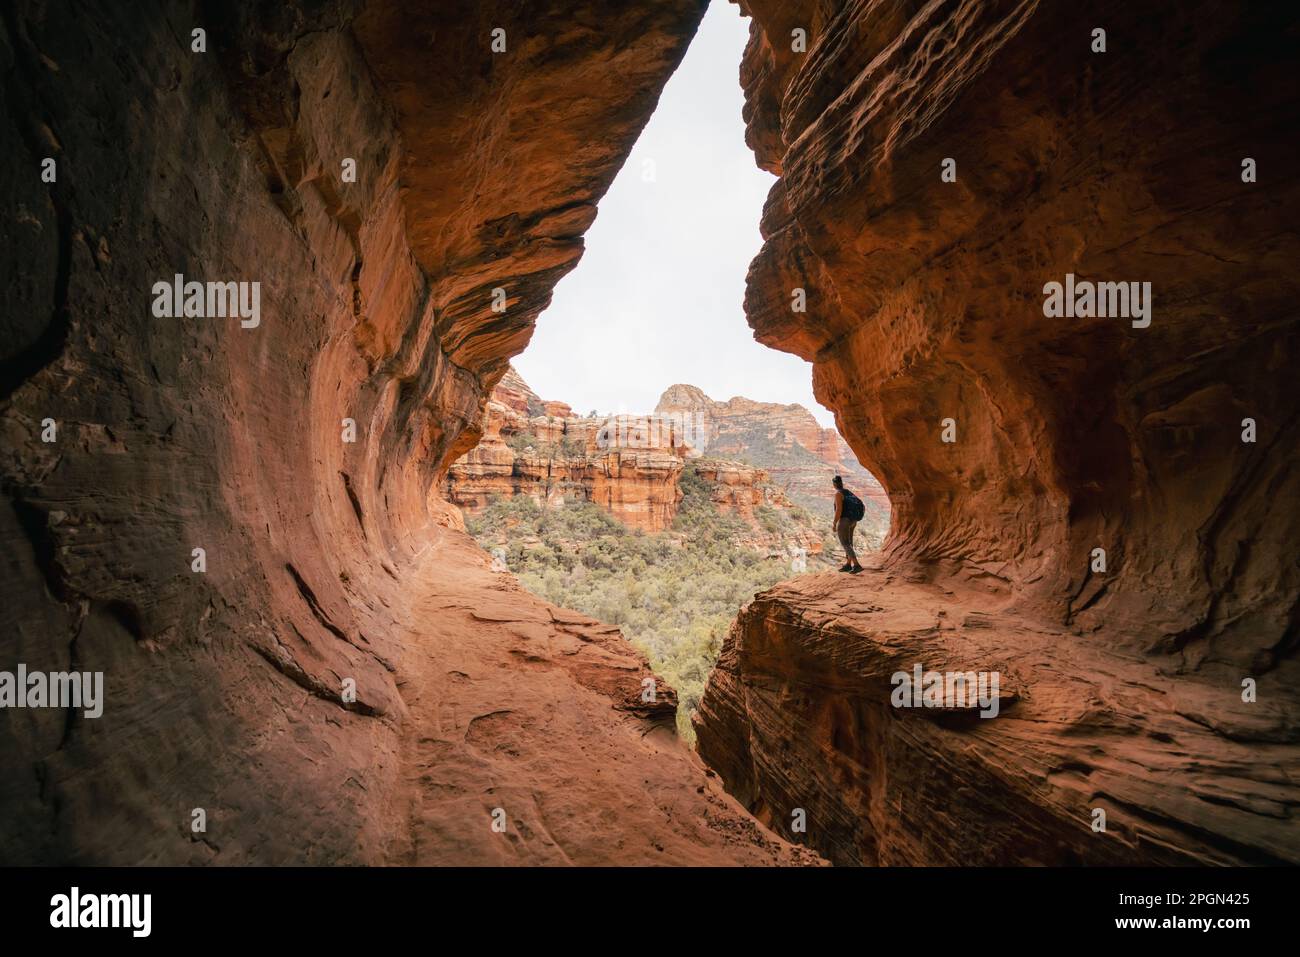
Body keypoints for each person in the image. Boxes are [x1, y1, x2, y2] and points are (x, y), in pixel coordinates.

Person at [832, 475, 862, 573]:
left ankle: (857, 565)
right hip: (853, 521)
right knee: (849, 543)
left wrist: (834, 522)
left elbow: (839, 510)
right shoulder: (848, 492)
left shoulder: (838, 494)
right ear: (842, 483)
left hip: (844, 521)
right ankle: (848, 564)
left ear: (834, 484)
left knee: (845, 543)